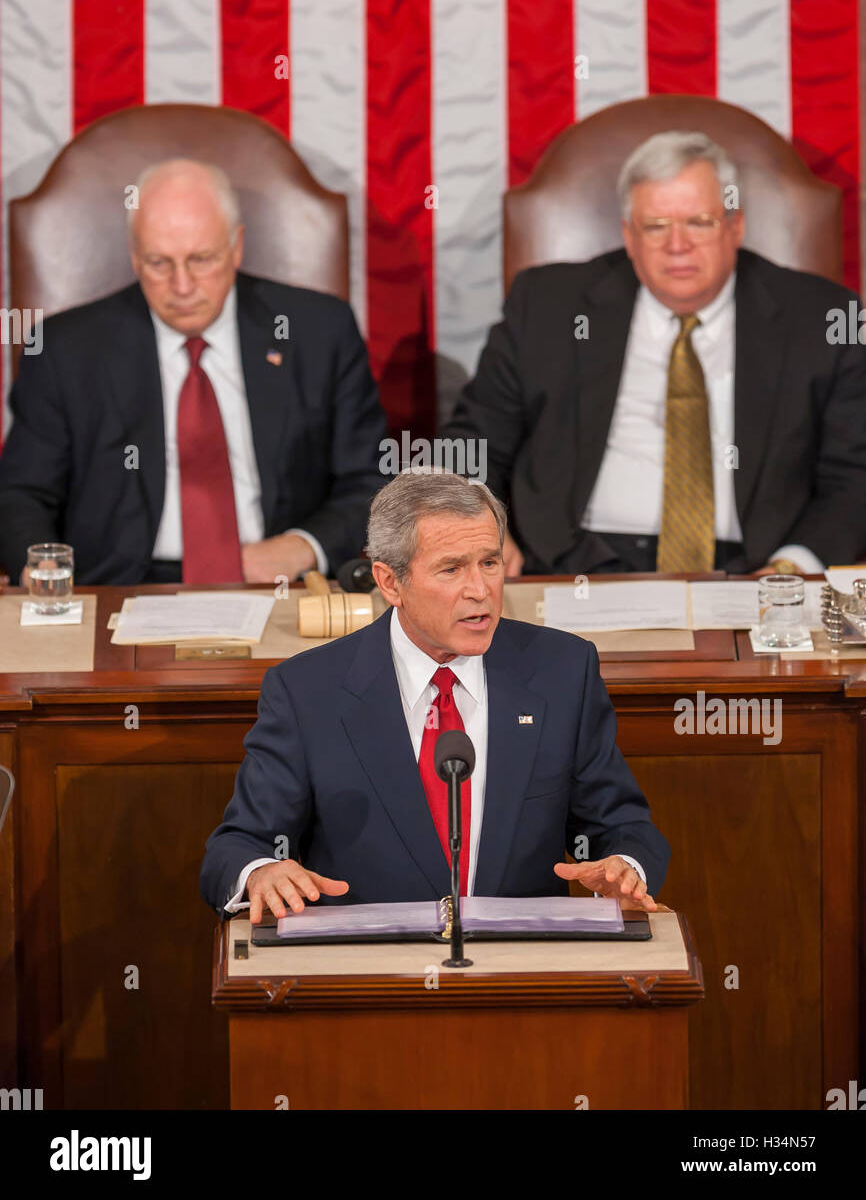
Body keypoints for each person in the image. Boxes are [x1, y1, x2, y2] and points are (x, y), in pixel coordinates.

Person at [200, 470, 669, 921]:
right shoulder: (307, 691)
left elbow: (623, 826)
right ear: (389, 582)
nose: (480, 590)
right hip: (369, 977)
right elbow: (237, 846)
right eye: (451, 569)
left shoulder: (563, 671)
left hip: (519, 974)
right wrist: (261, 872)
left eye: (490, 562)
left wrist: (626, 866)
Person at [445, 131, 866, 577]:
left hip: (755, 569)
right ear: (629, 235)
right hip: (568, 564)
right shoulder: (548, 305)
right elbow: (473, 440)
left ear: (735, 225)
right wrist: (479, 525)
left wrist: (795, 564)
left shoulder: (822, 318)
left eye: (699, 222)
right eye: (656, 226)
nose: (677, 245)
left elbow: (855, 472)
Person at [0, 159, 387, 585]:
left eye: (201, 259)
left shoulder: (319, 332)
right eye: (159, 263)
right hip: (116, 591)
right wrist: (43, 571)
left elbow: (370, 478)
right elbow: (22, 494)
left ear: (236, 247)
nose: (182, 286)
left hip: (278, 585)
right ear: (134, 257)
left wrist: (303, 545)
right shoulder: (65, 349)